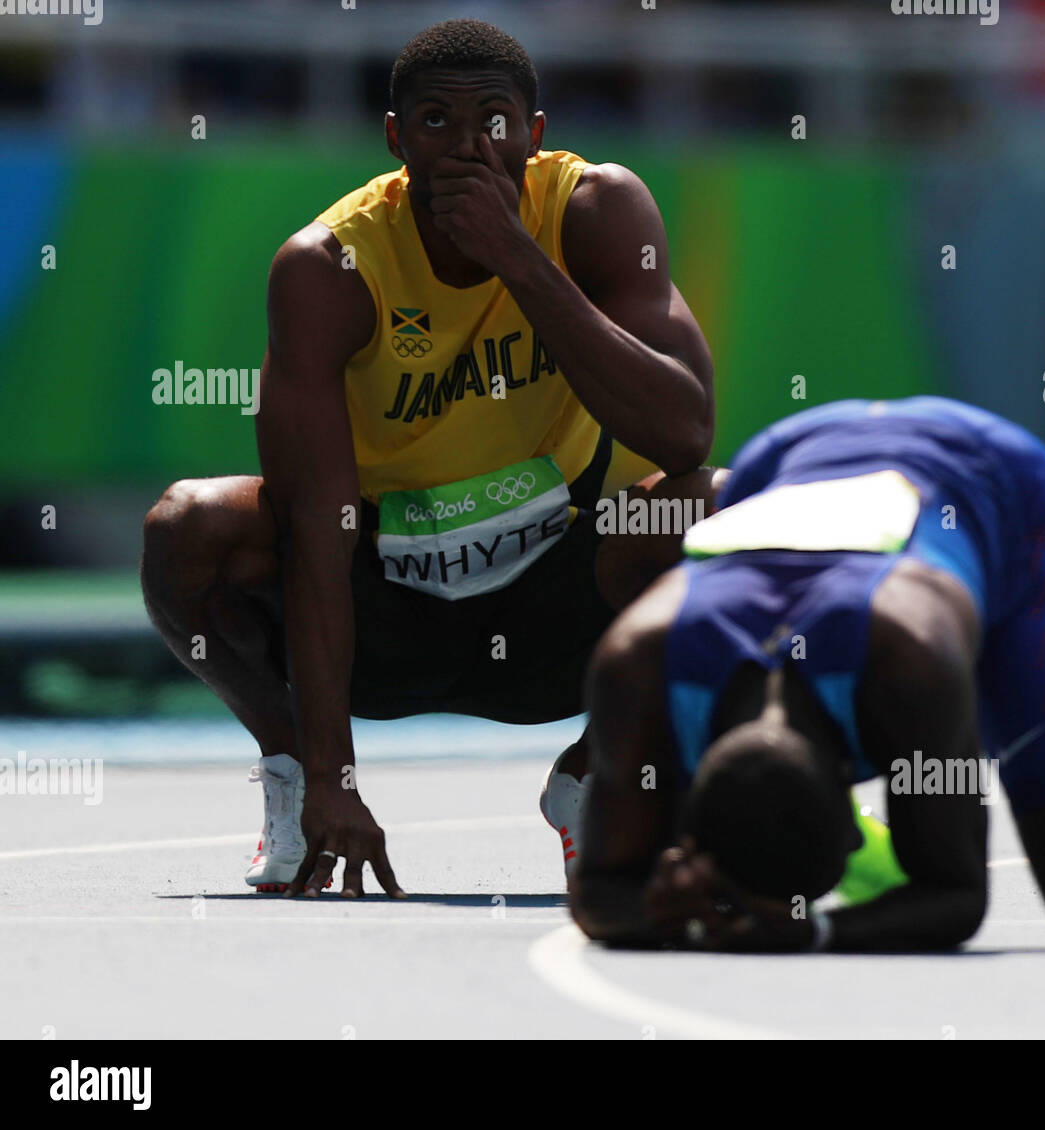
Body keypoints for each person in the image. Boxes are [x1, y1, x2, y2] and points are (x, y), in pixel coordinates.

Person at [139, 19, 718, 897]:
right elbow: (315, 528)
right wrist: (336, 772)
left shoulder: (597, 210)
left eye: (494, 121)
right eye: (437, 123)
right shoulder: (328, 266)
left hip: (558, 598)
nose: (467, 146)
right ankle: (290, 773)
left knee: (728, 508)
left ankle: (599, 771)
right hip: (385, 605)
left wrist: (519, 259)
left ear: (535, 133)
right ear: (395, 138)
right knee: (186, 527)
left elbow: (683, 434)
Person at [570, 397, 1045, 951]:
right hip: (785, 457)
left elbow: (958, 897)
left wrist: (807, 931)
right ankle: (866, 822)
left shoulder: (913, 663)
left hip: (1001, 488)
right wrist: (672, 910)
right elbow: (598, 893)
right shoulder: (636, 657)